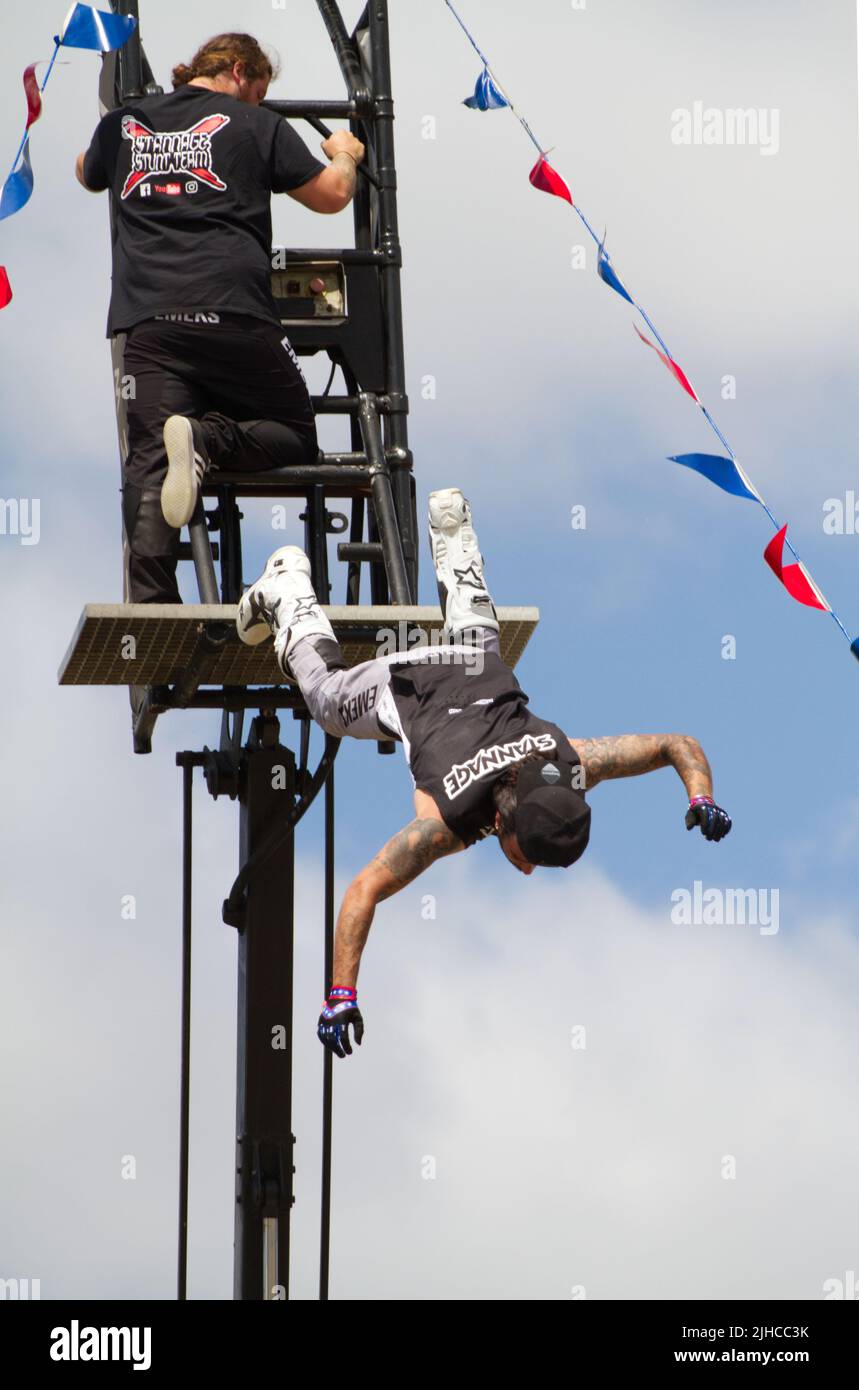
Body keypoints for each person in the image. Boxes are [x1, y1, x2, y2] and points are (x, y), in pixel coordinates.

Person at [235, 488, 733, 1059]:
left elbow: (677, 744)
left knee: (483, 640)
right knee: (326, 701)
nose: (523, 872)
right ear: (501, 818)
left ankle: (453, 533)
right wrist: (340, 993)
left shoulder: (570, 761)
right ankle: (287, 588)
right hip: (404, 682)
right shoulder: (447, 824)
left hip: (474, 661)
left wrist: (701, 798)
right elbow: (362, 890)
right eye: (525, 857)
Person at [75, 32, 365, 602]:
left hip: (151, 325)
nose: (254, 104)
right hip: (235, 315)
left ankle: (152, 607)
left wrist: (99, 146)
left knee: (150, 465)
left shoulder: (123, 126)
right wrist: (345, 154)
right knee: (297, 436)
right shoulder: (257, 125)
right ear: (239, 71)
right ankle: (209, 441)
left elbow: (86, 170)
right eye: (257, 92)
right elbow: (333, 195)